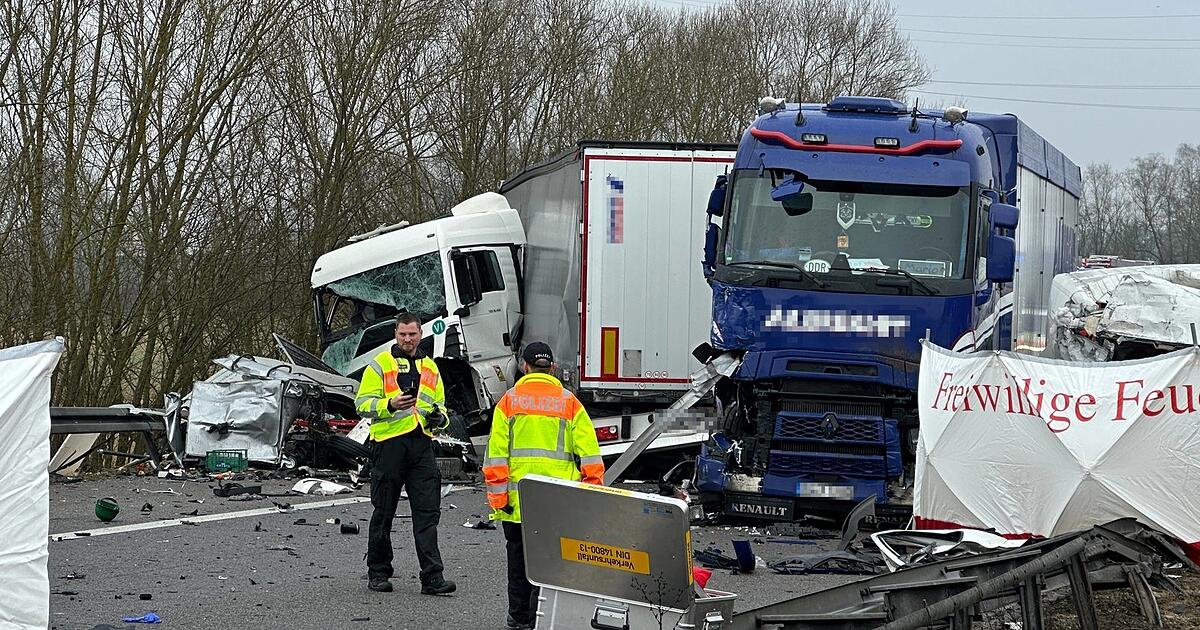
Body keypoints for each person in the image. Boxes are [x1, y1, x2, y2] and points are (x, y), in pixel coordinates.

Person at [483, 342, 605, 629]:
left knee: (518, 562)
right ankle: (543, 618)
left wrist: (500, 500)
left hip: (517, 502)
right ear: (551, 367)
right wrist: (591, 496)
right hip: (557, 503)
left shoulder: (509, 402)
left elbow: (496, 456)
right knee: (551, 566)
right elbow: (590, 455)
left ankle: (518, 618)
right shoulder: (569, 403)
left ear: (524, 366)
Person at [355, 313, 456, 595]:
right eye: (403, 335)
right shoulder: (380, 365)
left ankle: (433, 577)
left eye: (412, 335)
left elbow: (442, 407)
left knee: (427, 513)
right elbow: (361, 405)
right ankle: (377, 572)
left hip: (421, 444)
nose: (408, 340)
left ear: (420, 334)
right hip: (389, 446)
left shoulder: (431, 368)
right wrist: (390, 403)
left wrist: (439, 419)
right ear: (396, 334)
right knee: (383, 512)